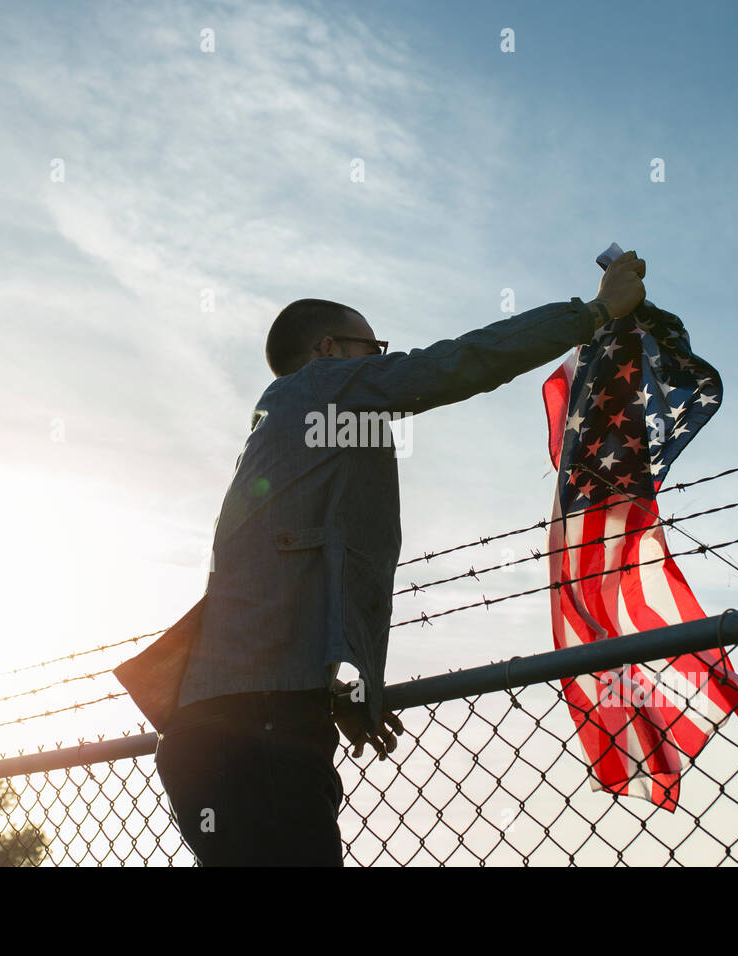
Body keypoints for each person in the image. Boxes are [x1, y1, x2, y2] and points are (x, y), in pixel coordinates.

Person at [154, 251, 648, 866]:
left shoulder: (284, 427)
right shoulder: (321, 387)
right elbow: (456, 363)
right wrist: (595, 312)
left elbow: (294, 582)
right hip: (262, 729)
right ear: (327, 350)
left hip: (222, 727)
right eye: (373, 348)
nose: (382, 360)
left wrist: (330, 687)